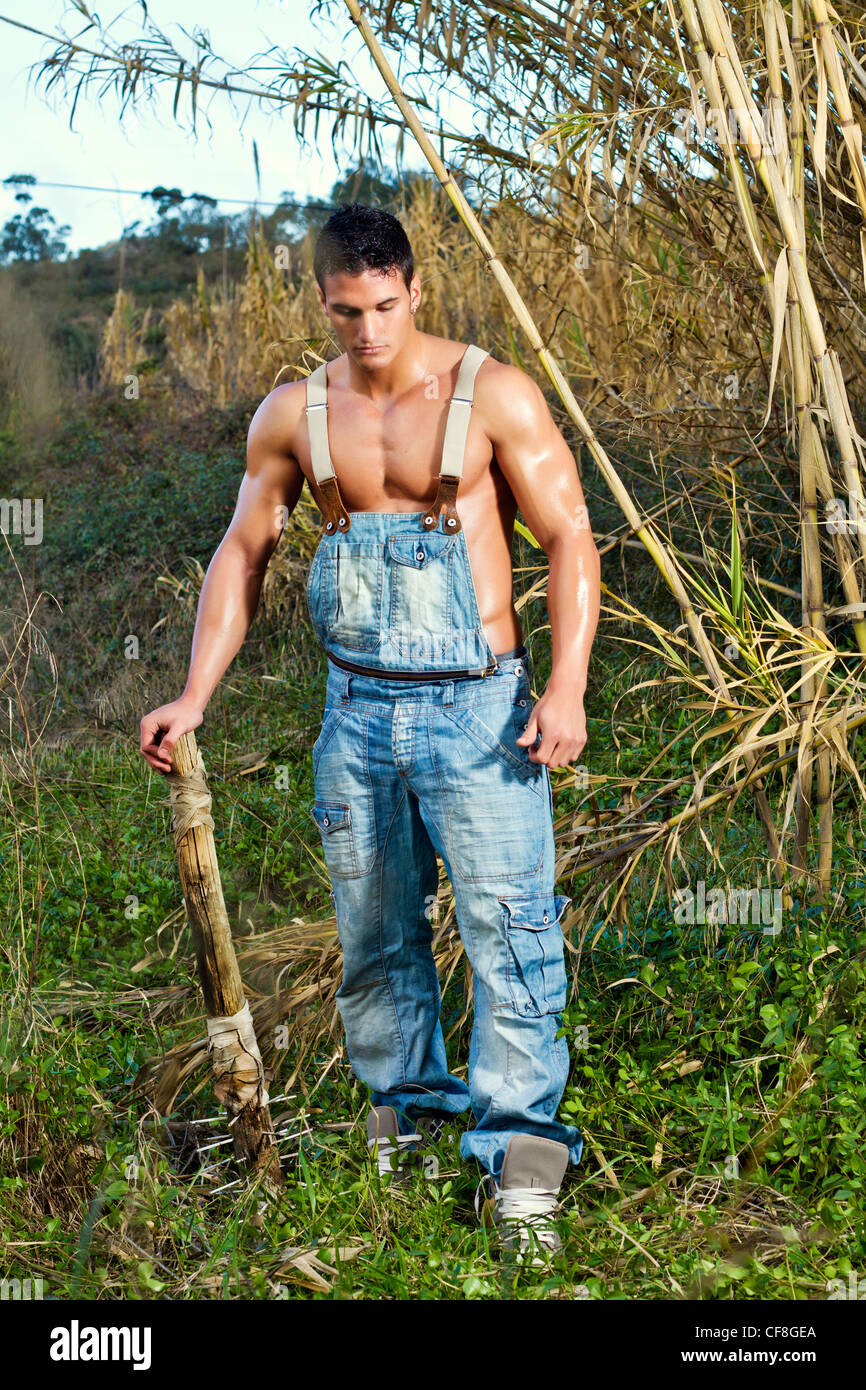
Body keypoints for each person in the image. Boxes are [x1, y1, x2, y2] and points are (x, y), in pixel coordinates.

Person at [140, 202, 600, 1261]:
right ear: (321, 300)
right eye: (347, 311)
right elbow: (240, 551)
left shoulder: (492, 393)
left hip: (480, 709)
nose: (369, 332)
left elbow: (569, 534)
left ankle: (521, 1165)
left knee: (510, 936)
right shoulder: (294, 413)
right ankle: (405, 1125)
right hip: (356, 714)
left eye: (386, 307)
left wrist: (564, 685)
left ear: (415, 288)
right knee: (376, 944)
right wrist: (194, 691)